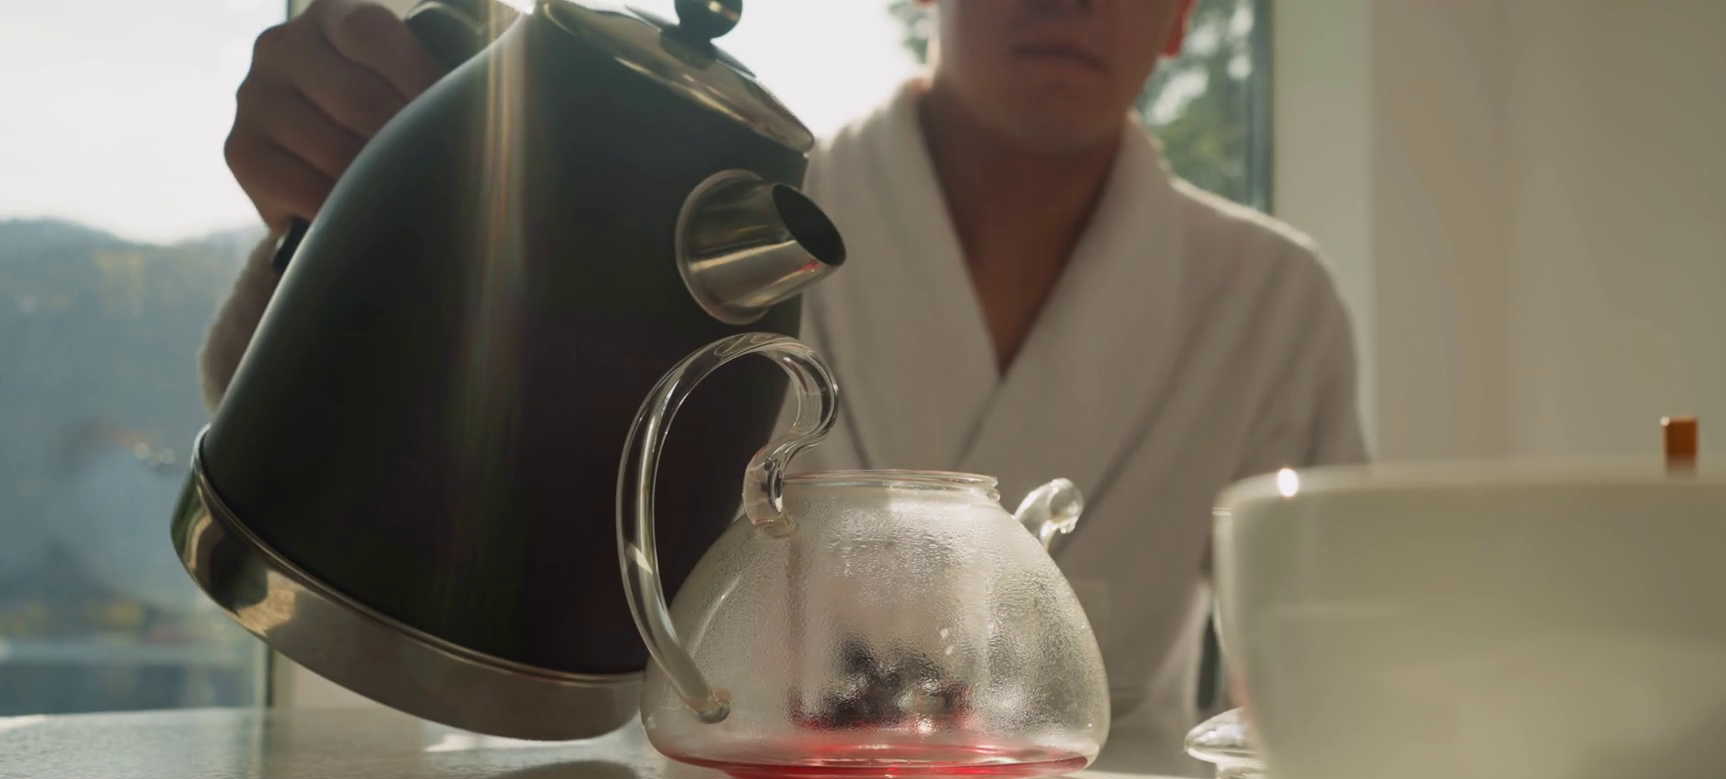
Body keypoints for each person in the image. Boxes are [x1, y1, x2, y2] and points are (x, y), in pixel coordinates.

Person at [200, 0, 1369, 741]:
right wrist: (339, 207)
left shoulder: (1273, 299)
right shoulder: (703, 201)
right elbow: (425, 450)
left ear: (1183, 19)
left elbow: (1332, 664)